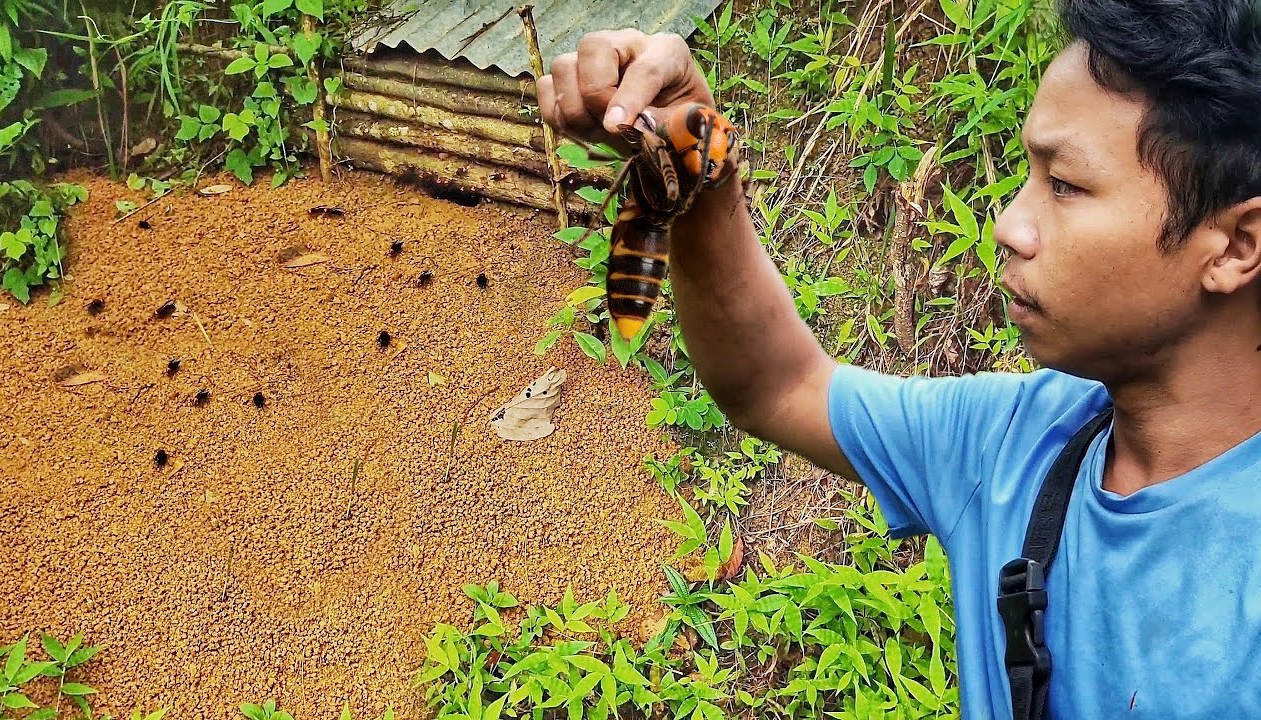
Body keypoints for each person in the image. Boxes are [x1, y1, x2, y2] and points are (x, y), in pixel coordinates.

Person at [537, 0, 1261, 717]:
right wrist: (700, 159)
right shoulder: (1016, 446)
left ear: (1235, 245)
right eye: (1029, 176)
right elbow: (778, 384)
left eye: (1065, 185)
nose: (1008, 223)